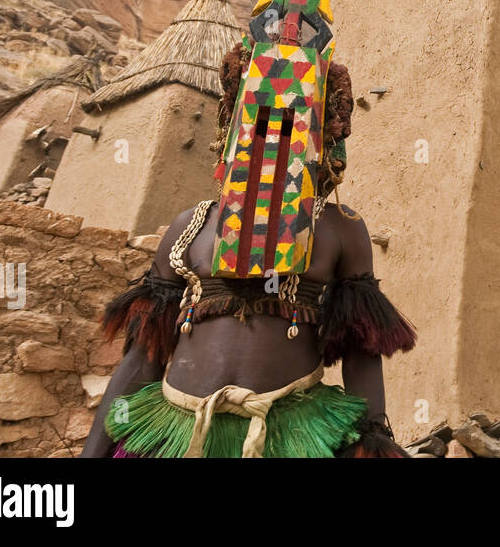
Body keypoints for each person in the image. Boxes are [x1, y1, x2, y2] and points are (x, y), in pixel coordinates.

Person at [81, 46, 415, 458]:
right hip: (177, 434)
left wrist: (375, 443)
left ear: (319, 130)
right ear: (235, 123)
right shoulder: (190, 226)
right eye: (260, 117)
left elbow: (362, 354)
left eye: (291, 118)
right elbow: (142, 358)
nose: (274, 130)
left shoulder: (340, 229)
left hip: (290, 437)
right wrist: (93, 454)